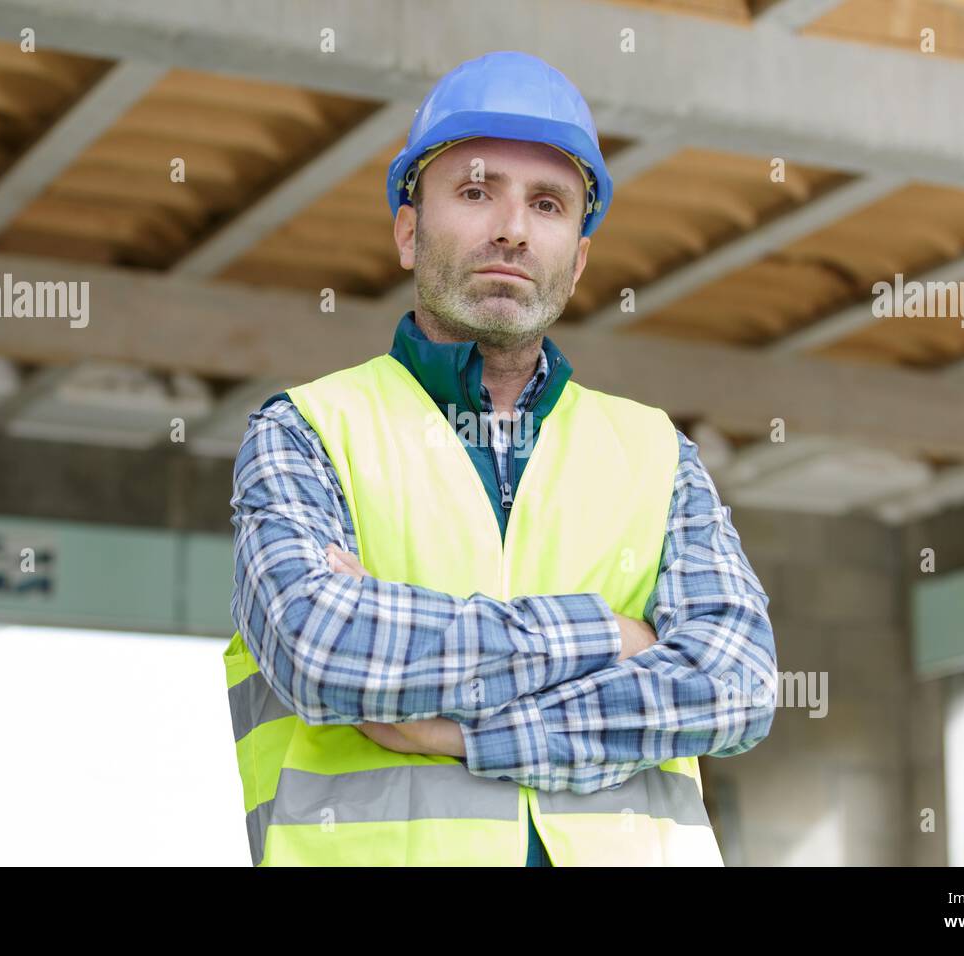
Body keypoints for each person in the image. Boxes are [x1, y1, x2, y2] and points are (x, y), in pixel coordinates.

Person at [225, 50, 777, 867]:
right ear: (409, 232)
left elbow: (737, 685)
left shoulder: (657, 453)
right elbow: (321, 652)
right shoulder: (306, 430)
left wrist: (460, 734)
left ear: (578, 258)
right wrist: (614, 636)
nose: (513, 228)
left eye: (548, 204)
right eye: (478, 192)